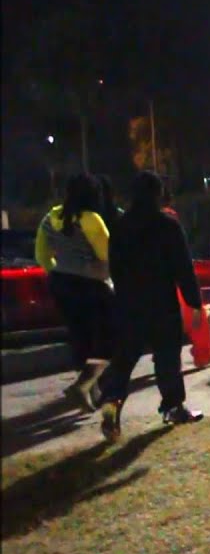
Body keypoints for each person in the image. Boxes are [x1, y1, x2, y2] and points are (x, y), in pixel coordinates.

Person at [96, 172, 205, 441]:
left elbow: (115, 267)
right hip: (161, 301)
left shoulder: (120, 227)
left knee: (126, 357)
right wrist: (194, 302)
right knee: (167, 357)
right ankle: (172, 406)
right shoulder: (166, 225)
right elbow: (182, 266)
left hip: (129, 302)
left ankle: (112, 398)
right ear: (157, 194)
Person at [34, 173, 114, 413]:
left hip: (61, 284)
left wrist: (59, 270)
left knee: (80, 337)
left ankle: (91, 393)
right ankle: (84, 385)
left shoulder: (50, 217)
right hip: (91, 285)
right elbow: (106, 254)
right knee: (112, 336)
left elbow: (41, 255)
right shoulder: (91, 219)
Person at [159, 195, 210, 368]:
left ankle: (167, 357)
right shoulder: (169, 223)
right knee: (197, 317)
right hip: (174, 282)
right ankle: (201, 354)